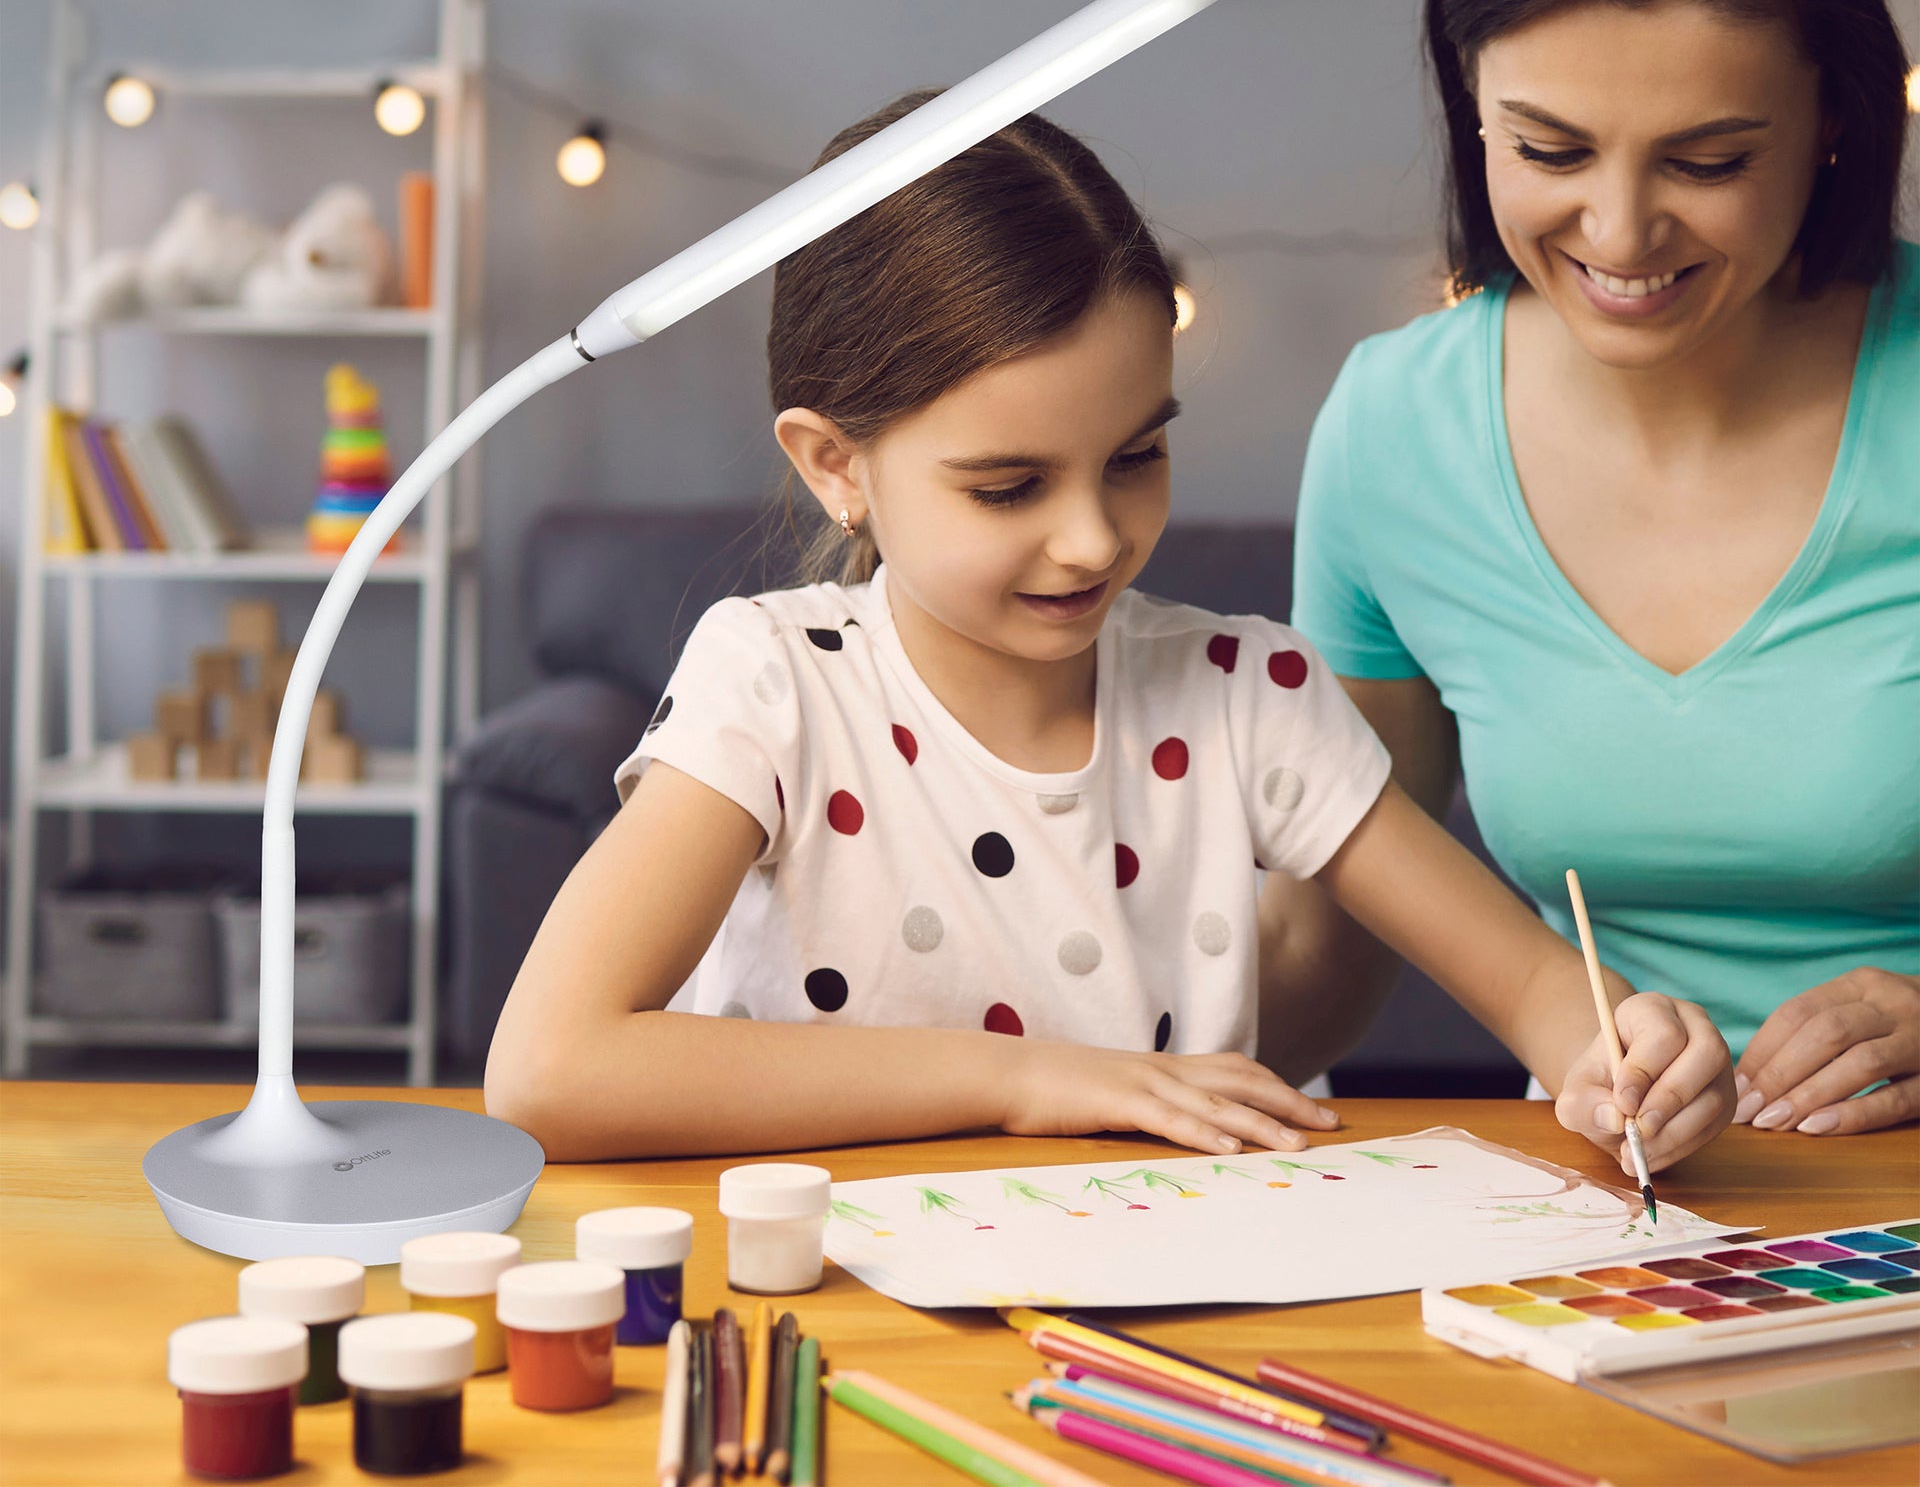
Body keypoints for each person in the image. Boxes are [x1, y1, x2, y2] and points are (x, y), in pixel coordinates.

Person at [487, 91, 1733, 1169]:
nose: (1091, 538)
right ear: (835, 466)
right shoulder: (773, 684)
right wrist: (1031, 1082)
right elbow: (550, 1068)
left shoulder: (1249, 693)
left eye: (1135, 455)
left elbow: (1530, 987)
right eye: (1009, 486)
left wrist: (1623, 1049)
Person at [1285, 0, 1918, 1139]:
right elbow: (1325, 956)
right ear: (1472, 111)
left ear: (1834, 125)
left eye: (1706, 162)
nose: (1619, 238)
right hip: (1627, 1214)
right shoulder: (1395, 433)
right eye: (1550, 149)